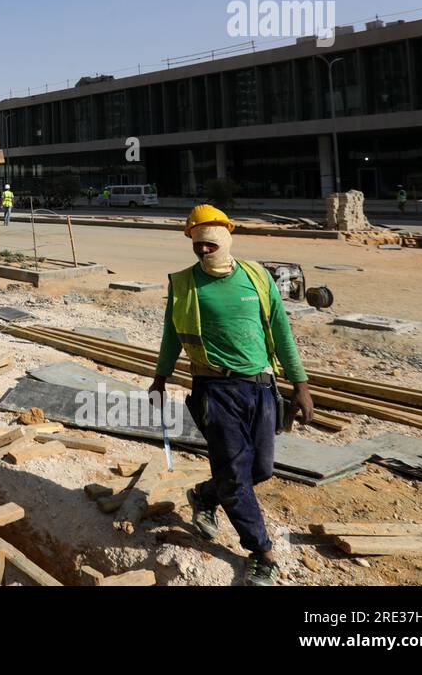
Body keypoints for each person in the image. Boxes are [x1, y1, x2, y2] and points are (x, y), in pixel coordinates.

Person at [149, 204, 314, 586]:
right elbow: (171, 337)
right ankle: (261, 551)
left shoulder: (257, 278)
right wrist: (159, 380)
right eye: (197, 245)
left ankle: (205, 495)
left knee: (260, 470)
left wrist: (300, 385)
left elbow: (282, 331)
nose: (203, 251)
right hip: (214, 390)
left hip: (261, 386)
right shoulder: (184, 283)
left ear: (224, 239)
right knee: (236, 473)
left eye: (209, 244)